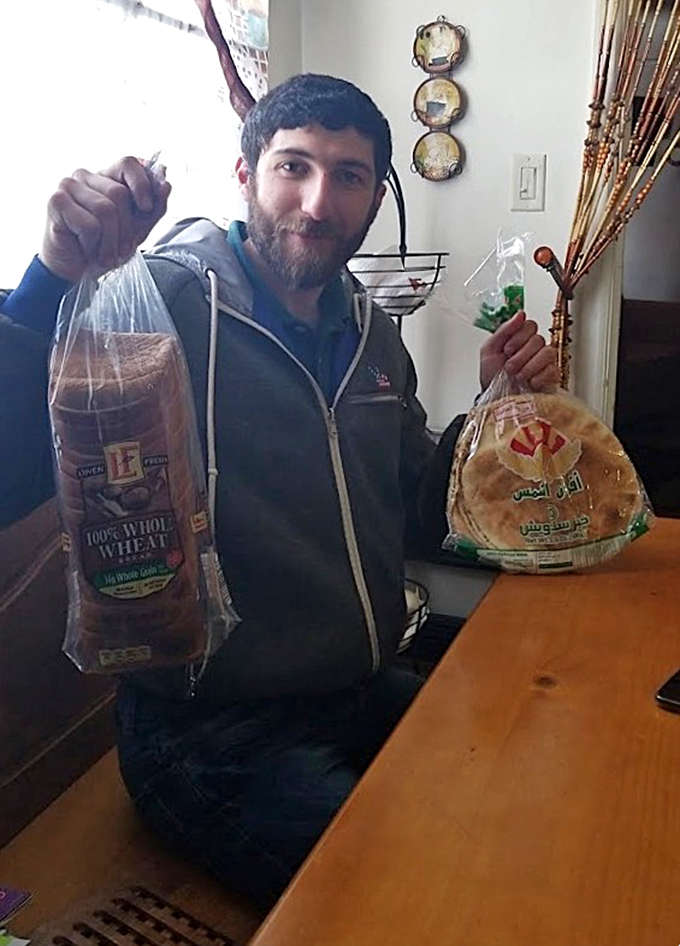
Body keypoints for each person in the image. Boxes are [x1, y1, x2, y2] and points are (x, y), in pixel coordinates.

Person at [0, 74, 557, 908]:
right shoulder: (158, 305)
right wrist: (50, 277)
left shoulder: (372, 332)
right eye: (293, 166)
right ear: (245, 176)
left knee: (525, 810)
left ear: (374, 200)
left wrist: (491, 410)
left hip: (359, 688)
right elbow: (9, 472)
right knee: (410, 894)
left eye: (350, 176)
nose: (317, 201)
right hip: (208, 732)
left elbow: (415, 508)